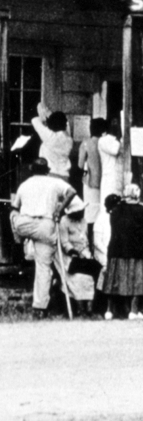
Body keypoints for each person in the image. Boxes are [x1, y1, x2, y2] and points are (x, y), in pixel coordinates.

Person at [9, 157, 77, 319]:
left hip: (24, 224)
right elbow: (72, 192)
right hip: (45, 226)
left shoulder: (24, 184)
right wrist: (60, 210)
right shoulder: (54, 182)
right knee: (43, 267)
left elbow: (14, 207)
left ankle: (19, 244)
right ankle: (40, 307)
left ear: (32, 170)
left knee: (12, 215)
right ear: (47, 170)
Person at [102, 183, 143, 321]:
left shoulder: (115, 210)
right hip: (137, 251)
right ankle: (133, 311)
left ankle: (109, 311)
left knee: (113, 281)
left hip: (116, 250)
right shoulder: (141, 211)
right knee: (136, 282)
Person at [78, 116, 106, 249]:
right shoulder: (104, 142)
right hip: (104, 182)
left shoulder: (85, 143)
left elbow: (79, 164)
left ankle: (90, 245)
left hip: (90, 182)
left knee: (90, 214)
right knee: (102, 212)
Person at [31, 103, 73, 181]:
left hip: (50, 175)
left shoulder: (50, 137)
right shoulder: (69, 139)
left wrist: (43, 115)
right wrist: (49, 114)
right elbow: (67, 124)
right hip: (65, 176)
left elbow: (34, 120)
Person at [98, 119, 126, 204]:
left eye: (117, 123)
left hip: (120, 177)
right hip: (109, 177)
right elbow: (115, 150)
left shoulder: (121, 140)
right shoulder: (103, 140)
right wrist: (118, 137)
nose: (116, 126)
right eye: (114, 123)